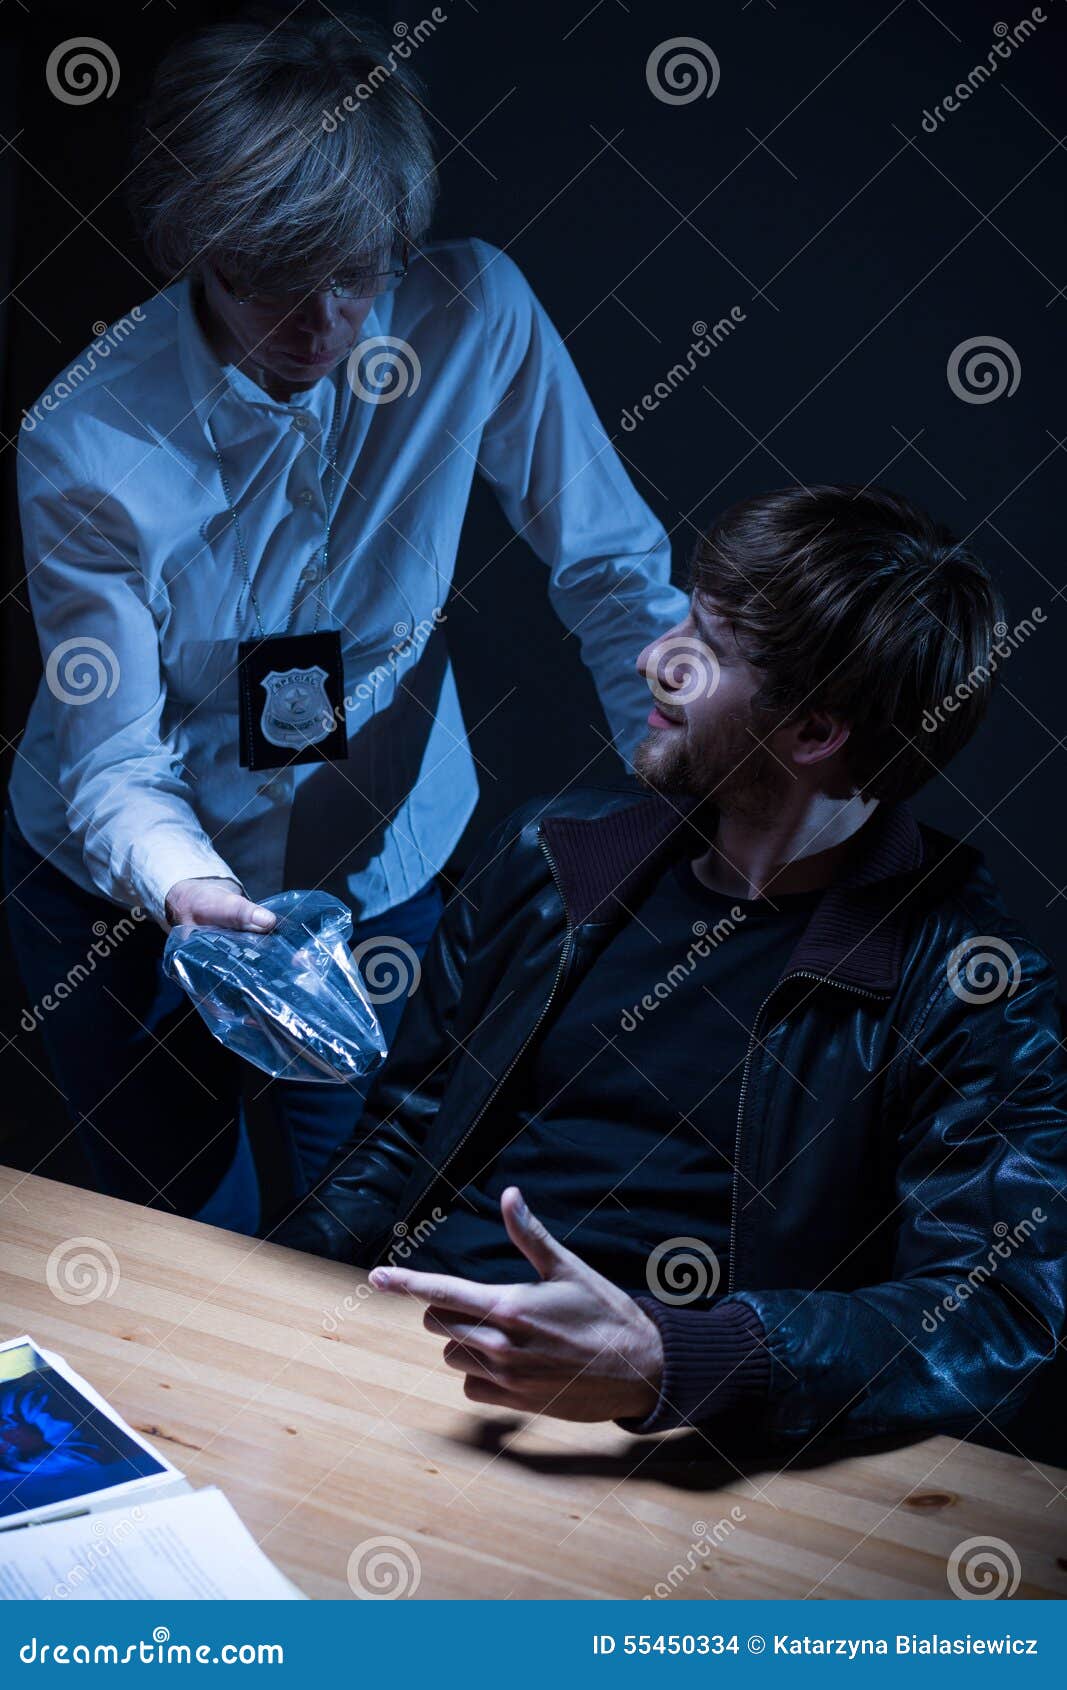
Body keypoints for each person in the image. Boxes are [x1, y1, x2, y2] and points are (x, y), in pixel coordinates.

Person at [3, 11, 685, 1233]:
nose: (323, 329)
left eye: (358, 276)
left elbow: (614, 575)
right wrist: (195, 897)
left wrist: (687, 785)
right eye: (272, 281)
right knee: (185, 1249)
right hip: (126, 900)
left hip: (376, 866)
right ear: (197, 247)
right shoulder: (89, 436)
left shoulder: (476, 313)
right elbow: (112, 762)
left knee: (355, 1238)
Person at [276, 484, 1067, 1446]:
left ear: (815, 731)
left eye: (706, 650)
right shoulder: (551, 858)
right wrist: (276, 1315)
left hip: (655, 1444)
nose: (653, 660)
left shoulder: (971, 987)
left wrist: (671, 1360)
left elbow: (1001, 1318)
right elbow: (402, 1134)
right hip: (398, 1367)